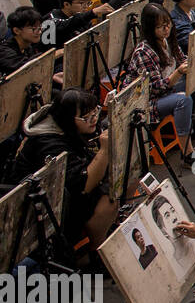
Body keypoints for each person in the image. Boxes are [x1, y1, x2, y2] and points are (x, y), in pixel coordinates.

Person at [10, 88, 117, 246]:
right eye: (87, 117)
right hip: (38, 209)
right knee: (111, 197)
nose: (95, 119)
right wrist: (104, 151)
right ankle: (100, 248)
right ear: (69, 118)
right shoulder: (49, 144)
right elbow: (82, 185)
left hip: (64, 190)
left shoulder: (68, 127)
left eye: (96, 112)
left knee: (123, 178)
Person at [124, 3, 195, 155]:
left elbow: (181, 58)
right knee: (183, 100)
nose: (166, 29)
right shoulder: (144, 52)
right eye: (160, 27)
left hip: (168, 87)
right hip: (147, 101)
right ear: (150, 29)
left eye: (167, 24)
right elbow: (156, 88)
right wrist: (178, 72)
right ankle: (188, 152)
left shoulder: (168, 40)